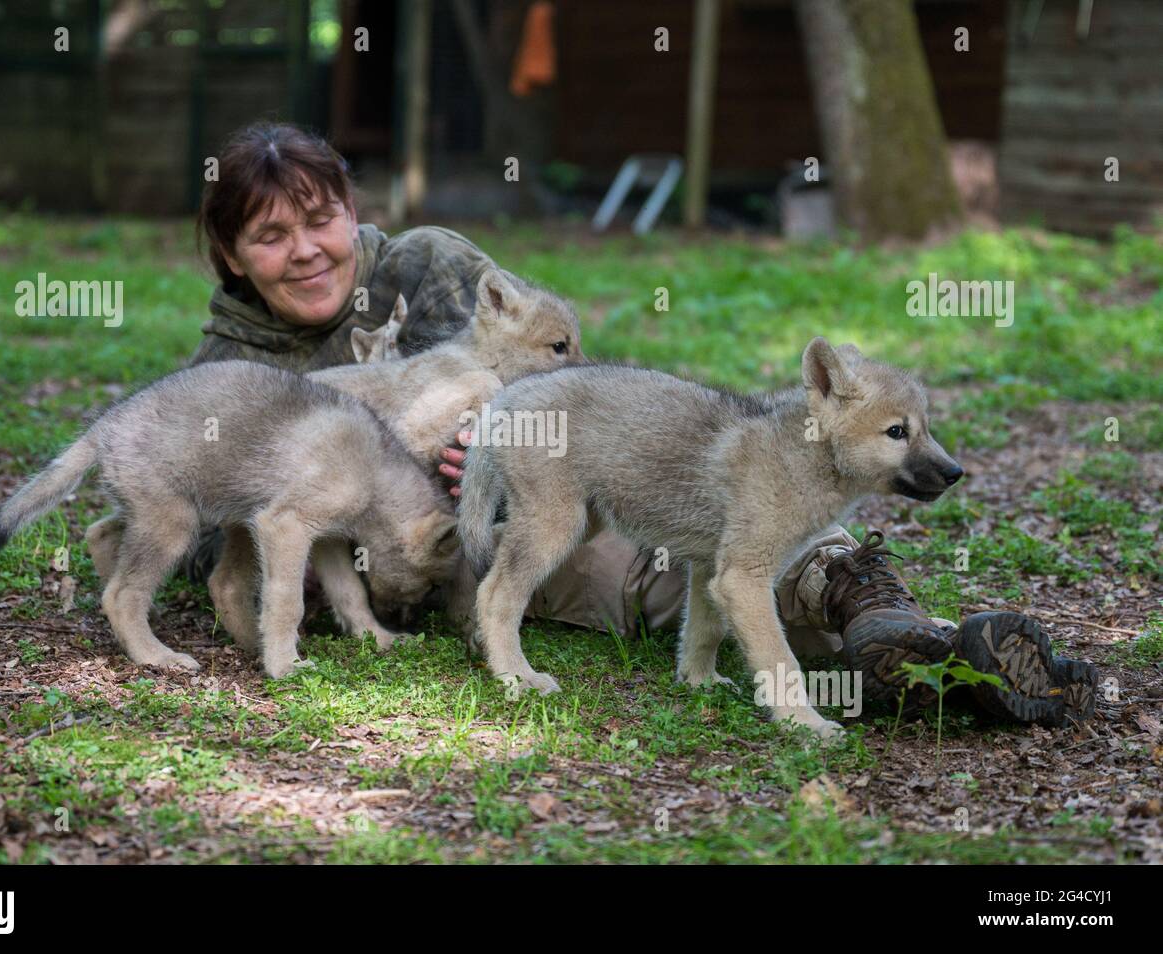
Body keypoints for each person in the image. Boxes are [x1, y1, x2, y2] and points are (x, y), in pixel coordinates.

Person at [178, 122, 1096, 727]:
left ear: (349, 211)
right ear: (229, 253)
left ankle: (901, 633)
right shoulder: (226, 378)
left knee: (709, 541)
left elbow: (555, 371)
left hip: (533, 486)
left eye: (321, 220)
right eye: (270, 235)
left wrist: (498, 442)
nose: (305, 251)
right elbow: (201, 528)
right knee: (646, 567)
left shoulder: (425, 265)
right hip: (407, 557)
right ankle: (897, 660)